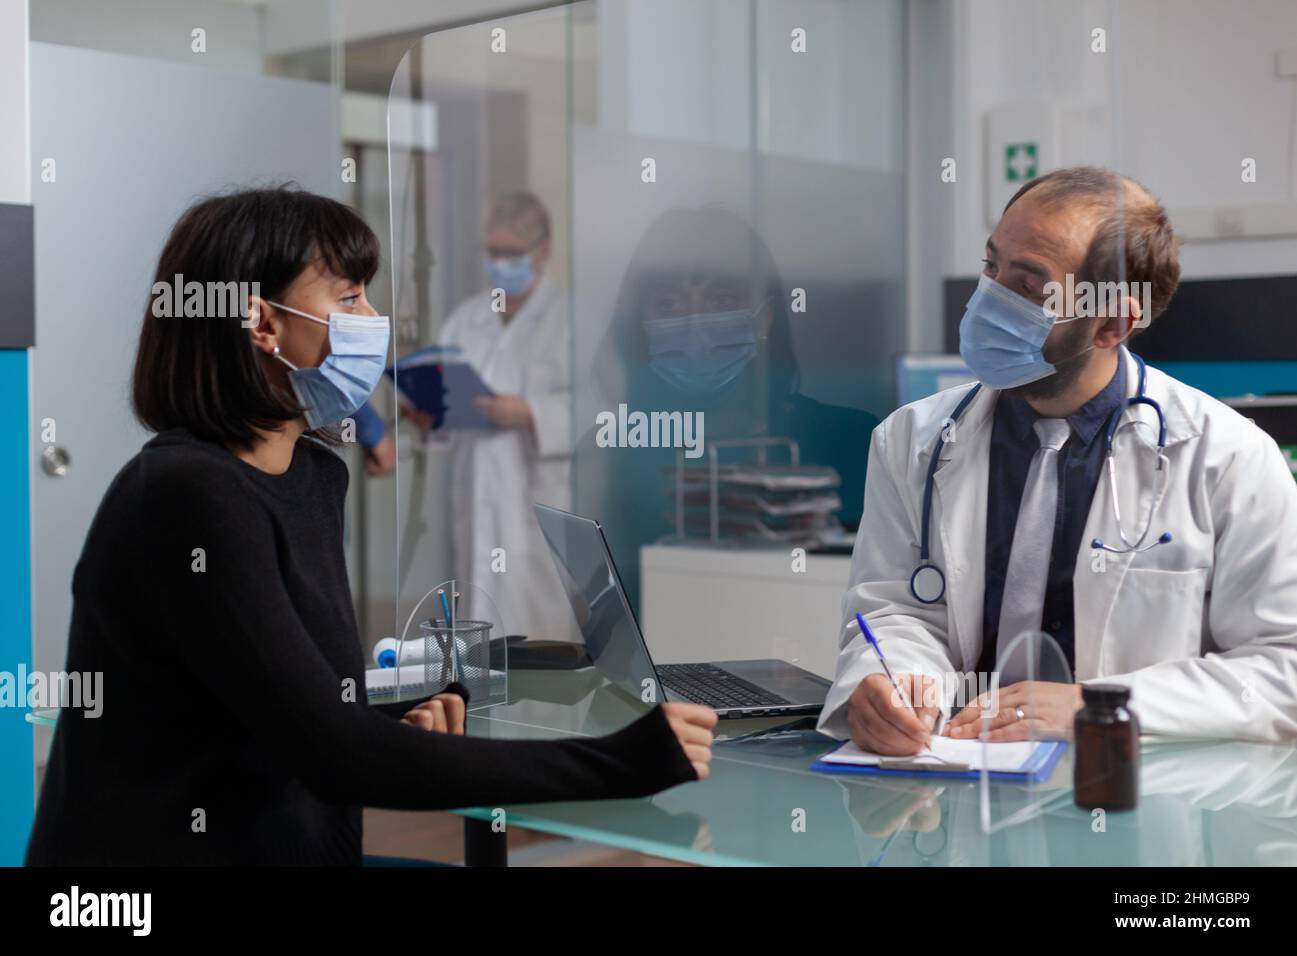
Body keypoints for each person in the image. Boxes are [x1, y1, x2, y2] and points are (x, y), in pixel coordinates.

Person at [25, 186, 715, 866]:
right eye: (350, 298)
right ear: (261, 324)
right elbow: (337, 758)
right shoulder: (188, 495)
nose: (373, 319)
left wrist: (392, 719)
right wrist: (622, 760)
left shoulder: (313, 476)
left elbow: (295, 701)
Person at [820, 166, 1297, 753]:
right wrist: (890, 682)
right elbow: (894, 609)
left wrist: (1094, 706)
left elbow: (1285, 669)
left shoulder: (1228, 458)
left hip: (1136, 794)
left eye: (1027, 286)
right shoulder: (912, 439)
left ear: (1113, 323)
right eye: (991, 266)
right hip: (956, 780)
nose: (987, 301)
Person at [576, 206, 879, 615]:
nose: (696, 323)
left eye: (722, 301)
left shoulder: (852, 440)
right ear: (640, 325)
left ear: (765, 316)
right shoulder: (613, 449)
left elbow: (883, 599)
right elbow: (600, 609)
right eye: (670, 305)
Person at [434, 192, 574, 641]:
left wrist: (529, 413)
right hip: (474, 491)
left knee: (541, 629)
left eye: (512, 253)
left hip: (537, 496)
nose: (500, 262)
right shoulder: (465, 318)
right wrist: (428, 413)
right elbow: (442, 399)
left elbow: (603, 411)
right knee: (477, 620)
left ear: (544, 249)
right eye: (493, 252)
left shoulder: (572, 319)